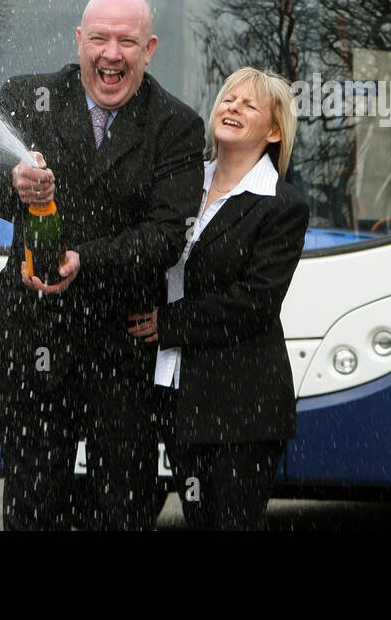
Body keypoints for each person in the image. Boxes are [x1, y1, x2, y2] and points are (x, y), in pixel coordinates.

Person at [0, 0, 204, 530]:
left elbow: (168, 235)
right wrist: (13, 182)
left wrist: (82, 261)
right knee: (32, 501)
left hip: (125, 351)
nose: (111, 53)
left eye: (126, 41)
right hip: (34, 342)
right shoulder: (29, 96)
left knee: (126, 503)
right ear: (80, 41)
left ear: (149, 48)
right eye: (100, 38)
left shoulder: (177, 125)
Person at [131, 67, 309, 530]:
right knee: (198, 519)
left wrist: (168, 324)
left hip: (242, 402)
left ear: (273, 131)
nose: (232, 107)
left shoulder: (281, 204)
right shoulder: (180, 182)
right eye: (228, 99)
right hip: (176, 392)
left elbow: (255, 302)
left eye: (249, 105)